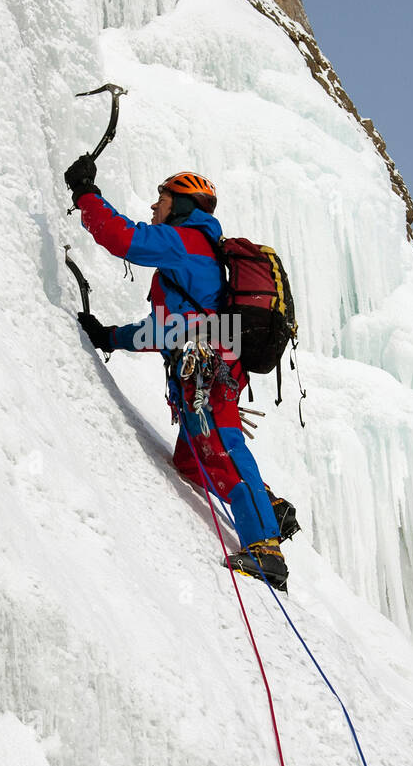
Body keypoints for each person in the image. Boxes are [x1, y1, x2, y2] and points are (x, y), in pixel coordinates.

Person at [63, 153, 298, 591]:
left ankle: (265, 546)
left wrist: (86, 195)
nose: (155, 207)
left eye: (162, 198)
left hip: (210, 372)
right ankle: (268, 504)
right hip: (205, 366)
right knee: (192, 462)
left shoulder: (185, 241)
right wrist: (110, 336)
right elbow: (170, 330)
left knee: (225, 447)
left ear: (183, 205)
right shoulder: (192, 252)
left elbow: (122, 238)